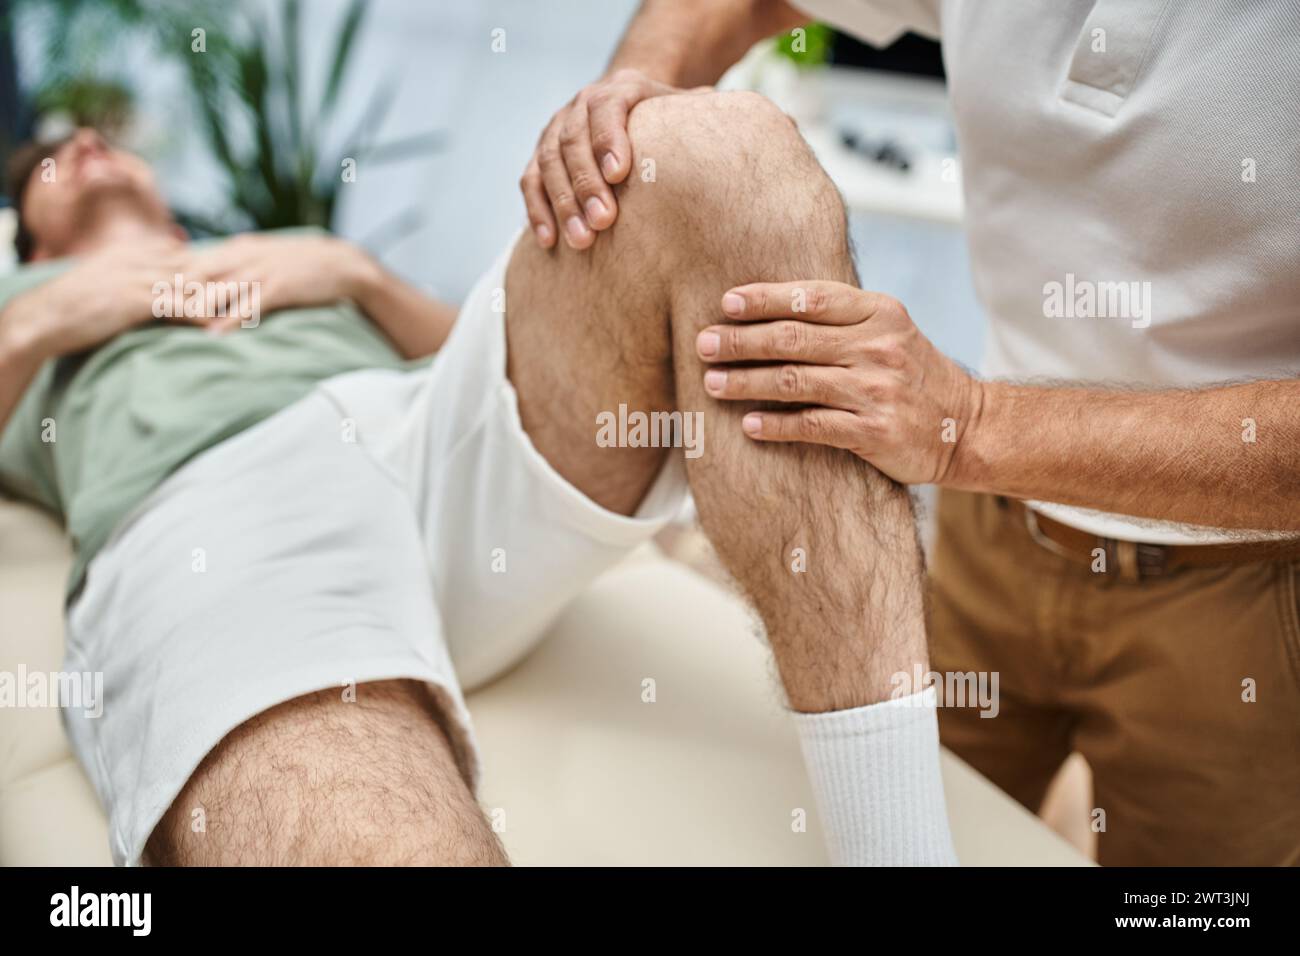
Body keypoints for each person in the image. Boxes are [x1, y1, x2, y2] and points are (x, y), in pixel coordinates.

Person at [0, 118, 954, 866]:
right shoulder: (27, 303)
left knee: (713, 151)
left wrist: (355, 274)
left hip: (425, 433)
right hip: (224, 489)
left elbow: (504, 349)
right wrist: (40, 322)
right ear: (30, 240)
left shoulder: (283, 247)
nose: (85, 144)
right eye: (53, 158)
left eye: (99, 138)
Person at [522, 0, 1300, 866]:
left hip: (1246, 598)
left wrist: (972, 424)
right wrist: (636, 89)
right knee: (924, 816)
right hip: (990, 534)